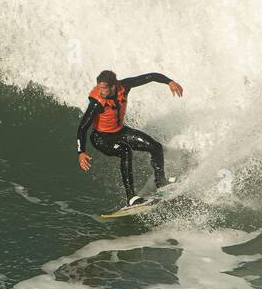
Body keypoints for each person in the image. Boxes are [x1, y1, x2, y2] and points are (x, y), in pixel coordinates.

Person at [76, 69, 183, 208]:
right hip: (101, 138)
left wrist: (169, 81)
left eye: (104, 88)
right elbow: (82, 128)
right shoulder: (96, 103)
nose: (101, 90)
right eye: (99, 87)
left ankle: (160, 182)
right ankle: (131, 197)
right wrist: (81, 152)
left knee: (155, 146)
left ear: (114, 86)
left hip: (120, 131)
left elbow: (149, 77)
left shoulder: (124, 86)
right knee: (125, 150)